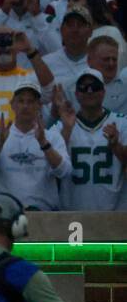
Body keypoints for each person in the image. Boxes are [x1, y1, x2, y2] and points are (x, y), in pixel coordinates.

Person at [0, 82, 70, 211]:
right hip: (8, 213)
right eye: (21, 101)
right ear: (12, 104)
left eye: (31, 102)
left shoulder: (52, 137)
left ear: (39, 106)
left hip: (44, 213)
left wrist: (44, 144)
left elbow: (64, 172)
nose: (25, 106)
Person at [54, 69, 126, 212]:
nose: (89, 91)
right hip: (71, 213)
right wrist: (67, 130)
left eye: (95, 87)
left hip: (113, 213)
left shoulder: (122, 122)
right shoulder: (61, 125)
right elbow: (50, 165)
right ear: (76, 93)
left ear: (104, 92)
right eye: (83, 88)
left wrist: (115, 146)